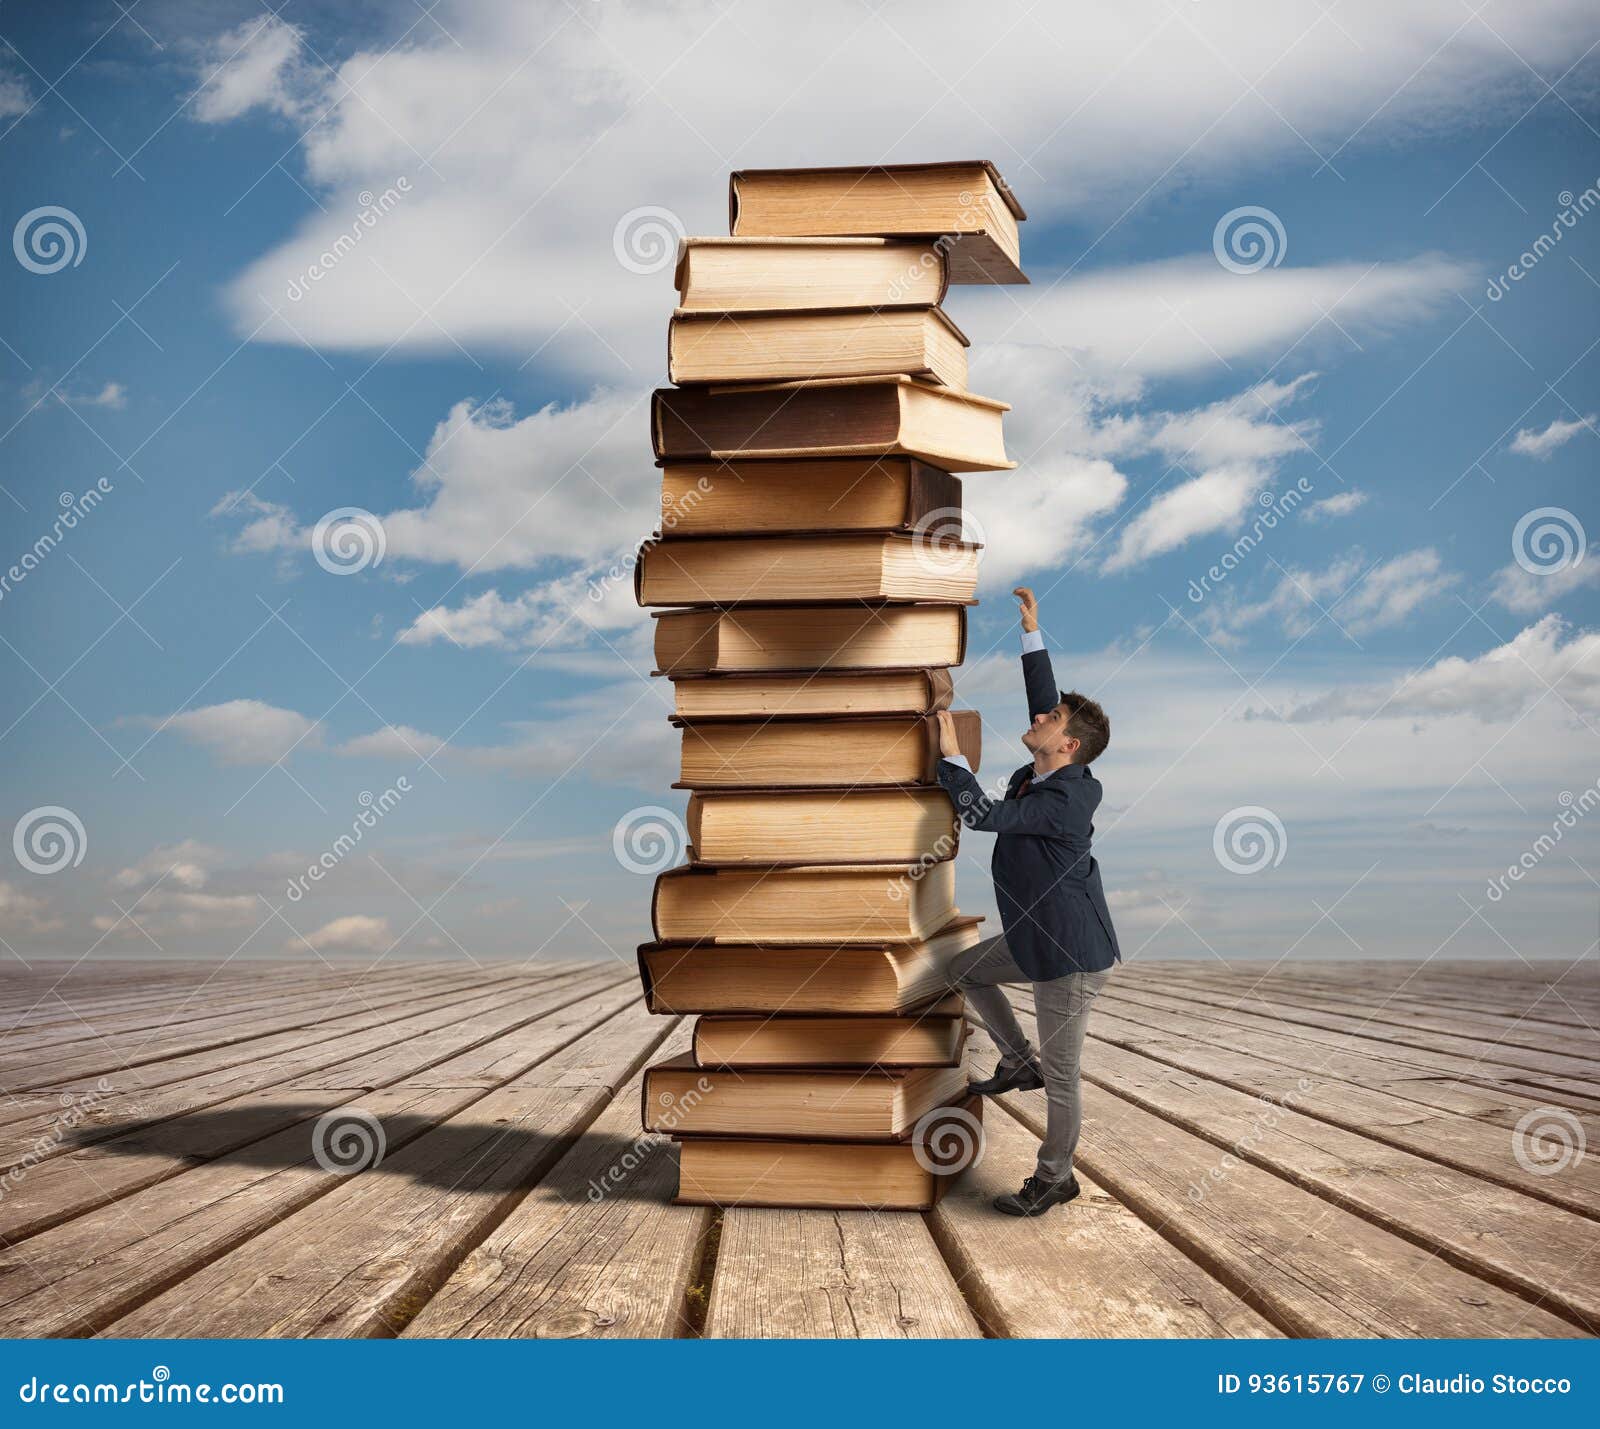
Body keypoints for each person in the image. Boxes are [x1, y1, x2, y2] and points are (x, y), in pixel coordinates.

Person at [934, 585, 1120, 1216]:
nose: (1040, 718)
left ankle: (1055, 1177)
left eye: (1051, 722)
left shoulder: (1066, 797)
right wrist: (1032, 632)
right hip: (1036, 935)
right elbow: (1047, 700)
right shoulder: (1048, 761)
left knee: (1064, 1080)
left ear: (1067, 746)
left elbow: (984, 814)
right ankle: (1017, 1061)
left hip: (1068, 955)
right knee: (963, 971)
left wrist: (951, 757)